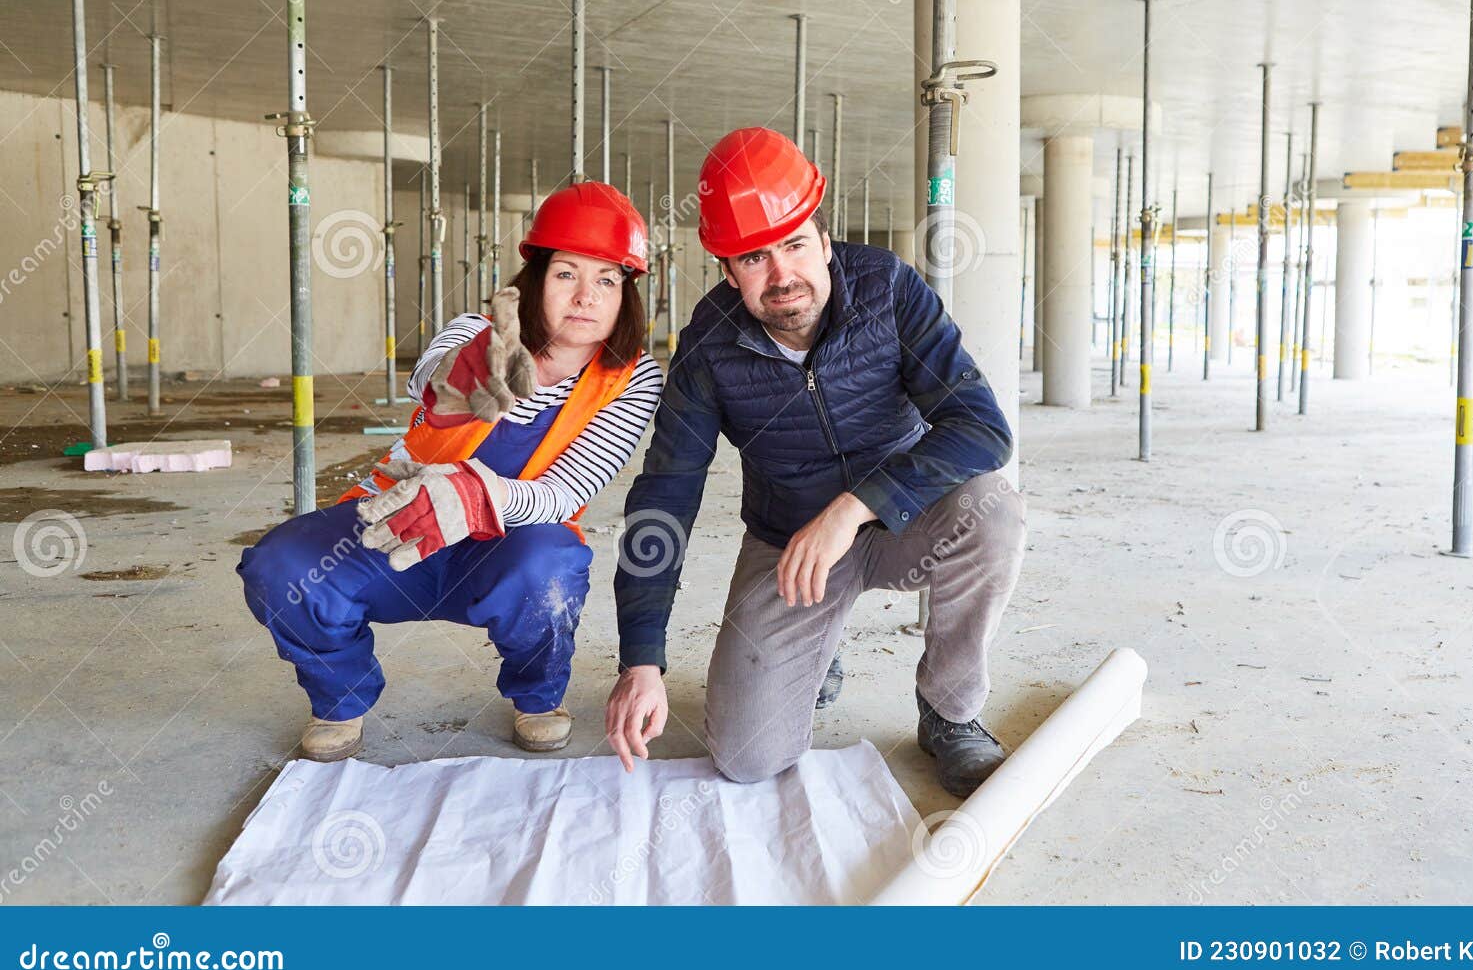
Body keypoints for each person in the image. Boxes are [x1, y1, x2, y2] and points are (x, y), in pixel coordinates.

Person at [604, 127, 1025, 797]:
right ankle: (816, 647)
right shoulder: (709, 345)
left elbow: (981, 427)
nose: (781, 276)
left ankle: (950, 711)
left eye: (796, 244)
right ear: (725, 267)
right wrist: (641, 657)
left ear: (825, 240)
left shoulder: (889, 288)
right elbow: (665, 495)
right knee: (745, 755)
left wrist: (856, 505)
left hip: (899, 521)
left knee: (993, 509)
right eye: (752, 258)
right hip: (791, 545)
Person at [239, 181, 662, 762]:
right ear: (535, 277)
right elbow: (428, 381)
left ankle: (537, 697)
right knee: (282, 565)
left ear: (627, 295)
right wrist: (465, 378)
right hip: (400, 522)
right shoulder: (473, 332)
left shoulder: (633, 377)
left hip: (506, 543)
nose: (586, 296)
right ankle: (340, 699)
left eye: (607, 280)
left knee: (552, 568)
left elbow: (568, 491)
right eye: (567, 274)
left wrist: (478, 495)